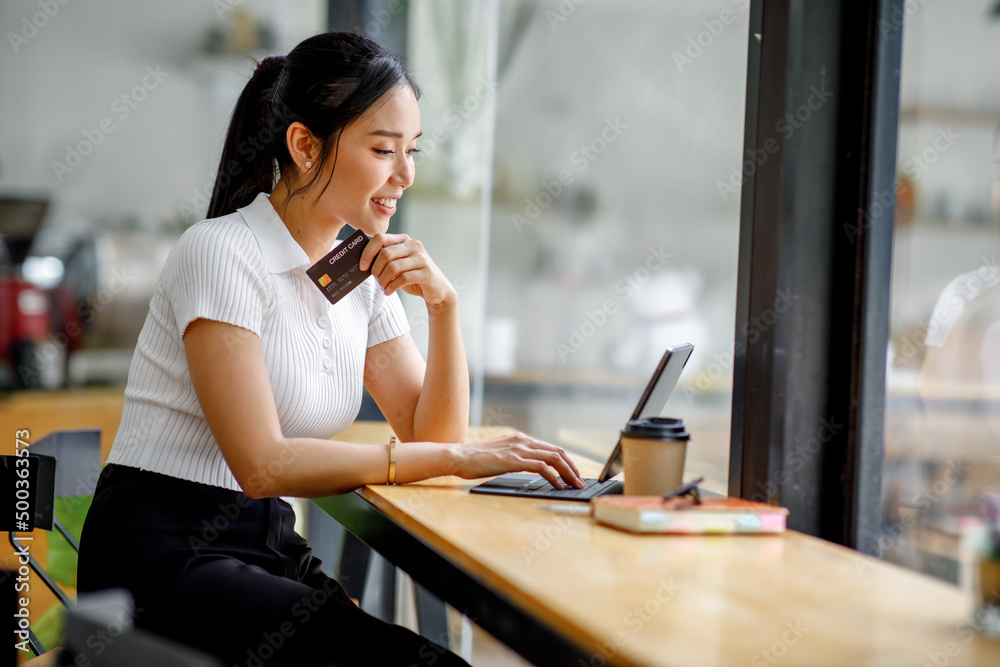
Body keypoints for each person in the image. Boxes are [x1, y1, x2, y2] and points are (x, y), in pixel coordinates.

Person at [77, 31, 583, 667]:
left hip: (265, 546)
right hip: (165, 557)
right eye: (382, 149)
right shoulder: (219, 252)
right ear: (305, 145)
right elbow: (261, 465)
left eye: (412, 152)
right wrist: (456, 453)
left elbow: (432, 431)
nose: (405, 175)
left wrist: (444, 309)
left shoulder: (356, 269)